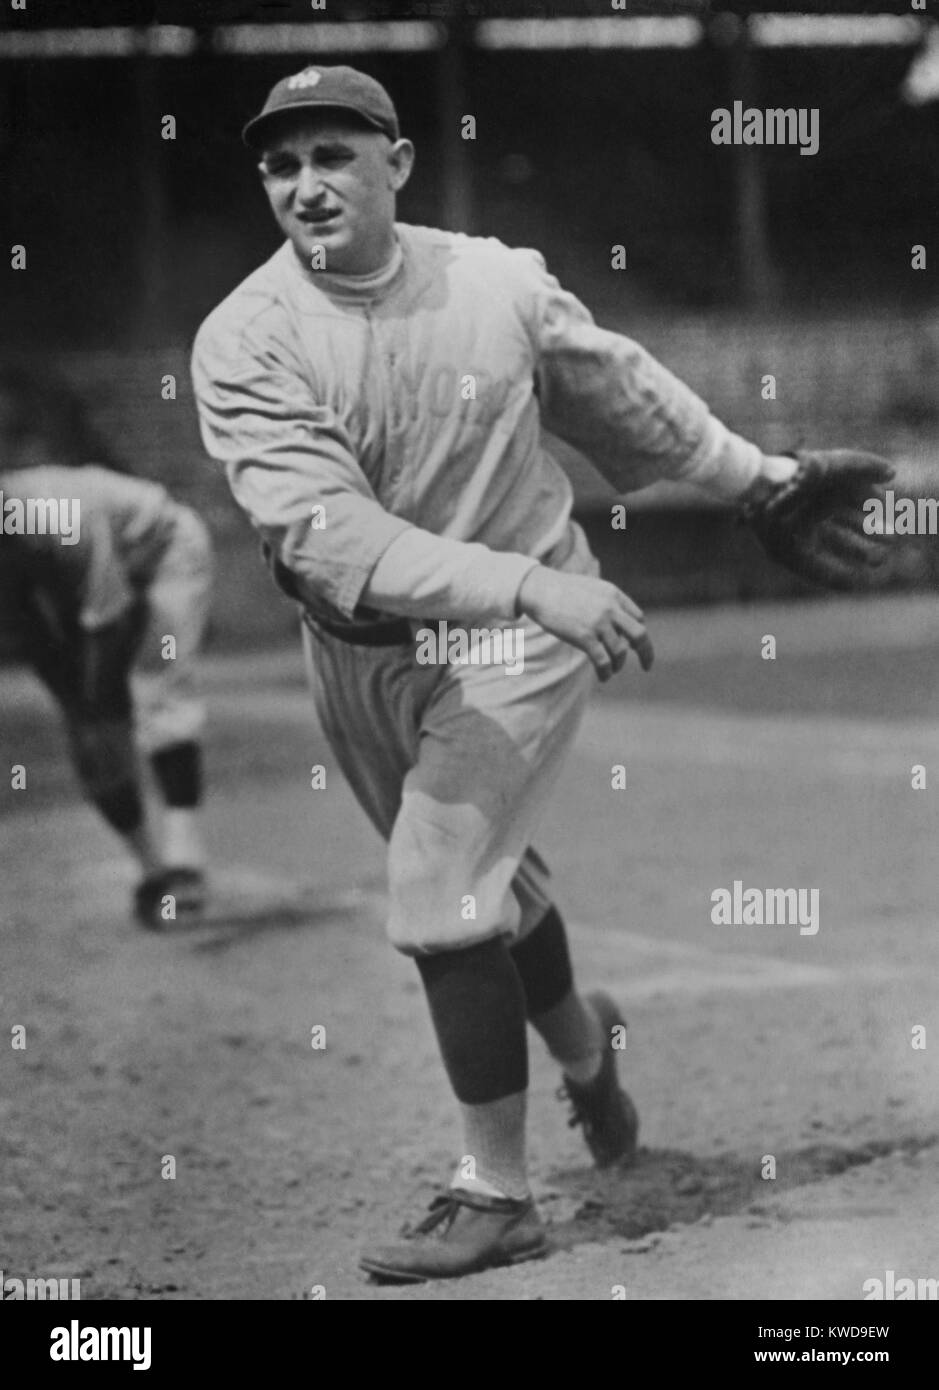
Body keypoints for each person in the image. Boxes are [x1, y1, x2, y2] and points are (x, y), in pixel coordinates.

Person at [191, 65, 889, 1282]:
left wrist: (758, 480)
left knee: (437, 884)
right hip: (362, 649)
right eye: (281, 164)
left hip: (518, 635)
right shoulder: (245, 340)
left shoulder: (493, 282)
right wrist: (528, 585)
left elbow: (620, 394)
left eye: (333, 156)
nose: (306, 185)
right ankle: (584, 1056)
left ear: (397, 163)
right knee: (491, 896)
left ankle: (494, 1192)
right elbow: (331, 537)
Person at [0, 363, 213, 930]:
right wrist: (80, 715)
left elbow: (109, 617)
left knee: (155, 688)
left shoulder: (55, 515)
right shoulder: (12, 539)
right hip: (96, 582)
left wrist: (99, 705)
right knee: (87, 729)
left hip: (163, 547)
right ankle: (151, 871)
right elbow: (32, 637)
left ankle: (185, 860)